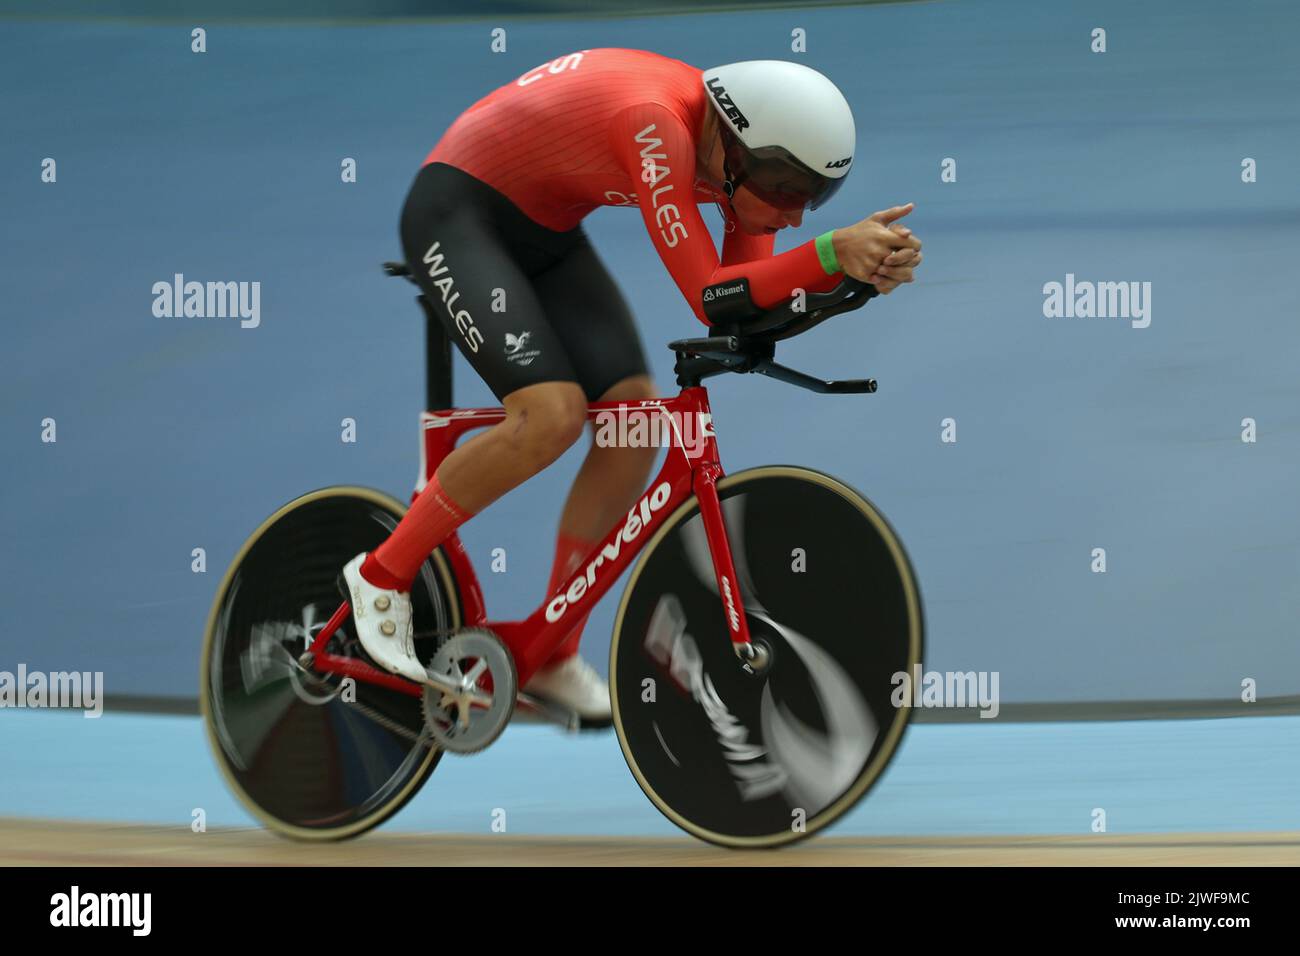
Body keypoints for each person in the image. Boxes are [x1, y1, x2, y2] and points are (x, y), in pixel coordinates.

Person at [342, 48, 923, 724]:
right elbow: (712, 293)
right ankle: (382, 574)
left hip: (544, 232)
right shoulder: (657, 122)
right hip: (456, 214)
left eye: (812, 200)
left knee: (635, 417)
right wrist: (828, 254)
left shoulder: (737, 166)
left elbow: (743, 312)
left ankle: (551, 649)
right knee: (549, 416)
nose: (794, 216)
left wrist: (854, 282)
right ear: (737, 149)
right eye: (788, 190)